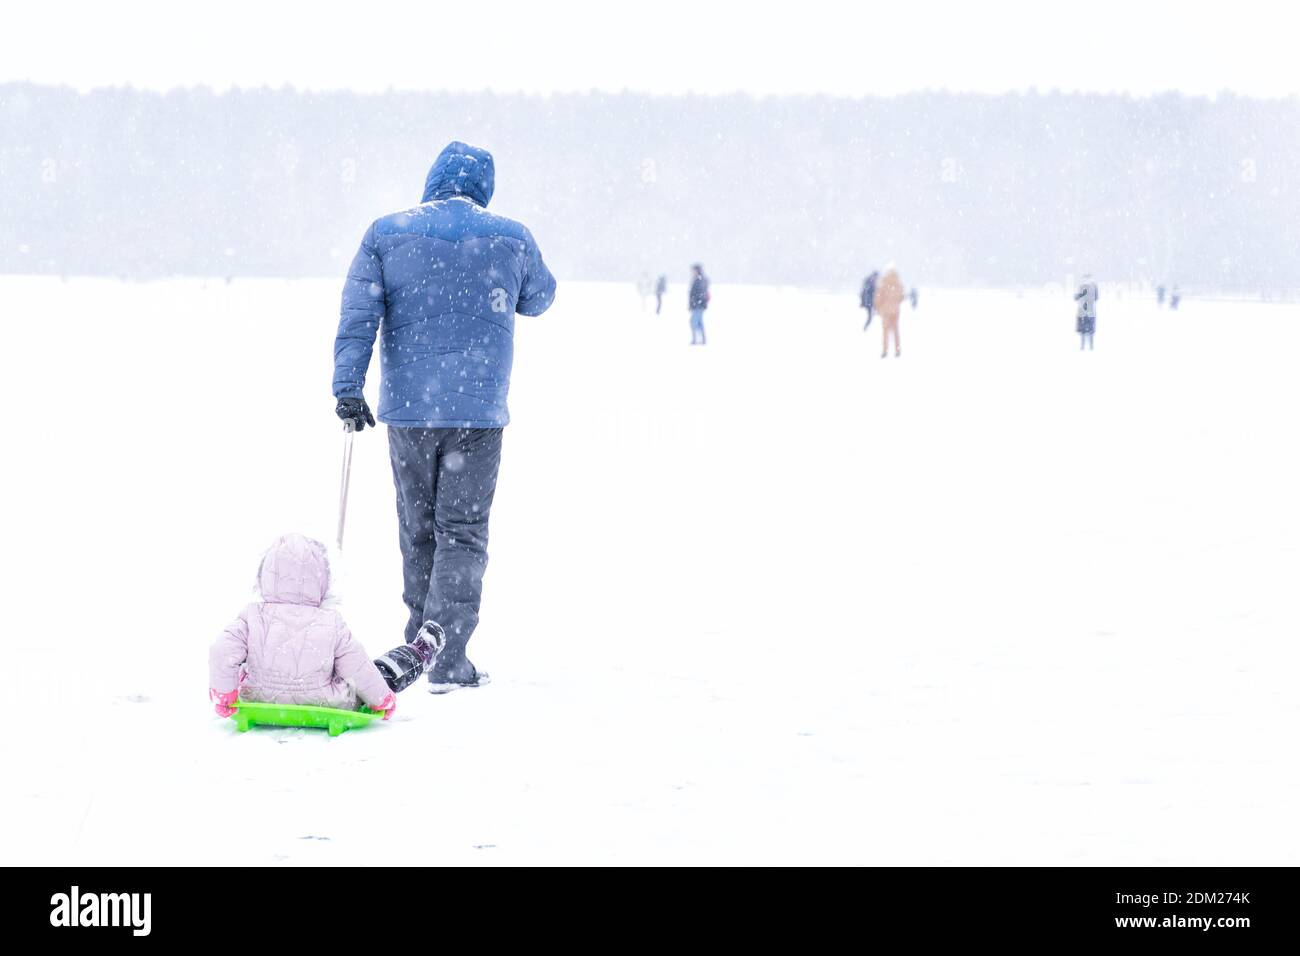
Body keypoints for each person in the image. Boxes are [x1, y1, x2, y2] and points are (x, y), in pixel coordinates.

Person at [332, 141, 556, 693]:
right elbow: (540, 298)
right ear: (485, 186)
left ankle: (422, 638)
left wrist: (347, 386)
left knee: (418, 526)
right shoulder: (511, 235)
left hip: (410, 410)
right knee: (463, 531)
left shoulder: (386, 233)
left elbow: (360, 312)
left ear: (432, 178)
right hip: (477, 412)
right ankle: (445, 651)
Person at [208, 534, 447, 719]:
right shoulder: (331, 623)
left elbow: (222, 652)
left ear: (264, 577)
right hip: (325, 702)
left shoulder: (251, 617)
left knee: (247, 669)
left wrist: (225, 693)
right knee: (377, 674)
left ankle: (415, 654)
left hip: (258, 697)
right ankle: (419, 652)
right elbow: (358, 667)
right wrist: (381, 698)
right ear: (321, 580)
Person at [874, 264, 905, 357]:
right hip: (895, 310)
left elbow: (878, 297)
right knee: (896, 330)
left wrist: (878, 307)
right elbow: (902, 297)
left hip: (885, 310)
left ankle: (885, 350)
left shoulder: (883, 282)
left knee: (885, 331)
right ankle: (897, 350)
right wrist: (896, 303)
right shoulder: (898, 283)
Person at [1075, 274, 1098, 350]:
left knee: (1083, 332)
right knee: (1090, 332)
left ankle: (1082, 347)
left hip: (1082, 312)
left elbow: (1076, 297)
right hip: (1091, 312)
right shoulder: (1093, 286)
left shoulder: (1081, 285)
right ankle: (1091, 347)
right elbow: (1096, 298)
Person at [688, 263, 710, 344]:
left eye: (693, 270)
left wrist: (696, 303)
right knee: (699, 322)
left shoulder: (700, 280)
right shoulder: (697, 279)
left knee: (693, 322)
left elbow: (699, 294)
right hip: (697, 305)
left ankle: (696, 339)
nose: (692, 272)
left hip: (699, 305)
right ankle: (702, 339)